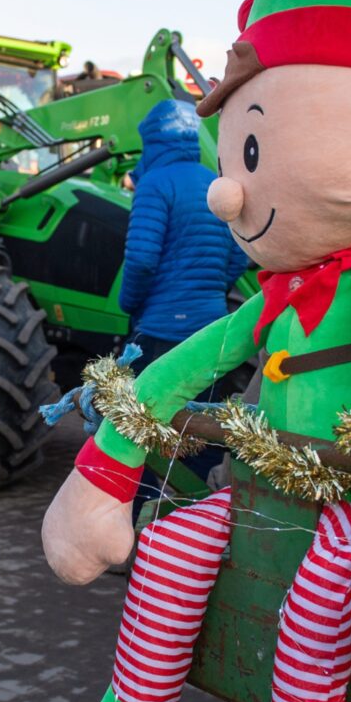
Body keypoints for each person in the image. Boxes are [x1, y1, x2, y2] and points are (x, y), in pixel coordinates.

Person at [118, 98, 249, 497]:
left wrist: (130, 303)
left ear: (153, 141)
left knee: (134, 433)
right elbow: (241, 253)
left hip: (160, 334)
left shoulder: (155, 184)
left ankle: (134, 528)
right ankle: (194, 527)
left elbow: (140, 259)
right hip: (212, 336)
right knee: (200, 438)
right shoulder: (213, 182)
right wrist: (210, 288)